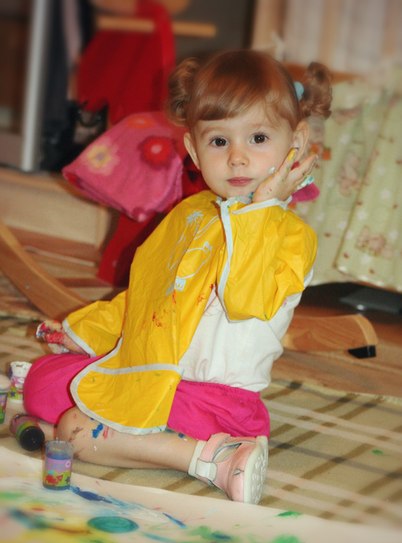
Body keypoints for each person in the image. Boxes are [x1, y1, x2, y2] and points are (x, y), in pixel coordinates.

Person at [22, 49, 332, 505]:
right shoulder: (192, 214)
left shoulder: (291, 236)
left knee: (76, 430)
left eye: (258, 138)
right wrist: (85, 333)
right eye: (219, 142)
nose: (238, 159)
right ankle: (124, 430)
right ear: (193, 150)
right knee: (42, 382)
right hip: (159, 373)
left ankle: (214, 459)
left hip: (219, 402)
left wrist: (263, 209)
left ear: (296, 144)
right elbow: (148, 296)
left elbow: (244, 298)